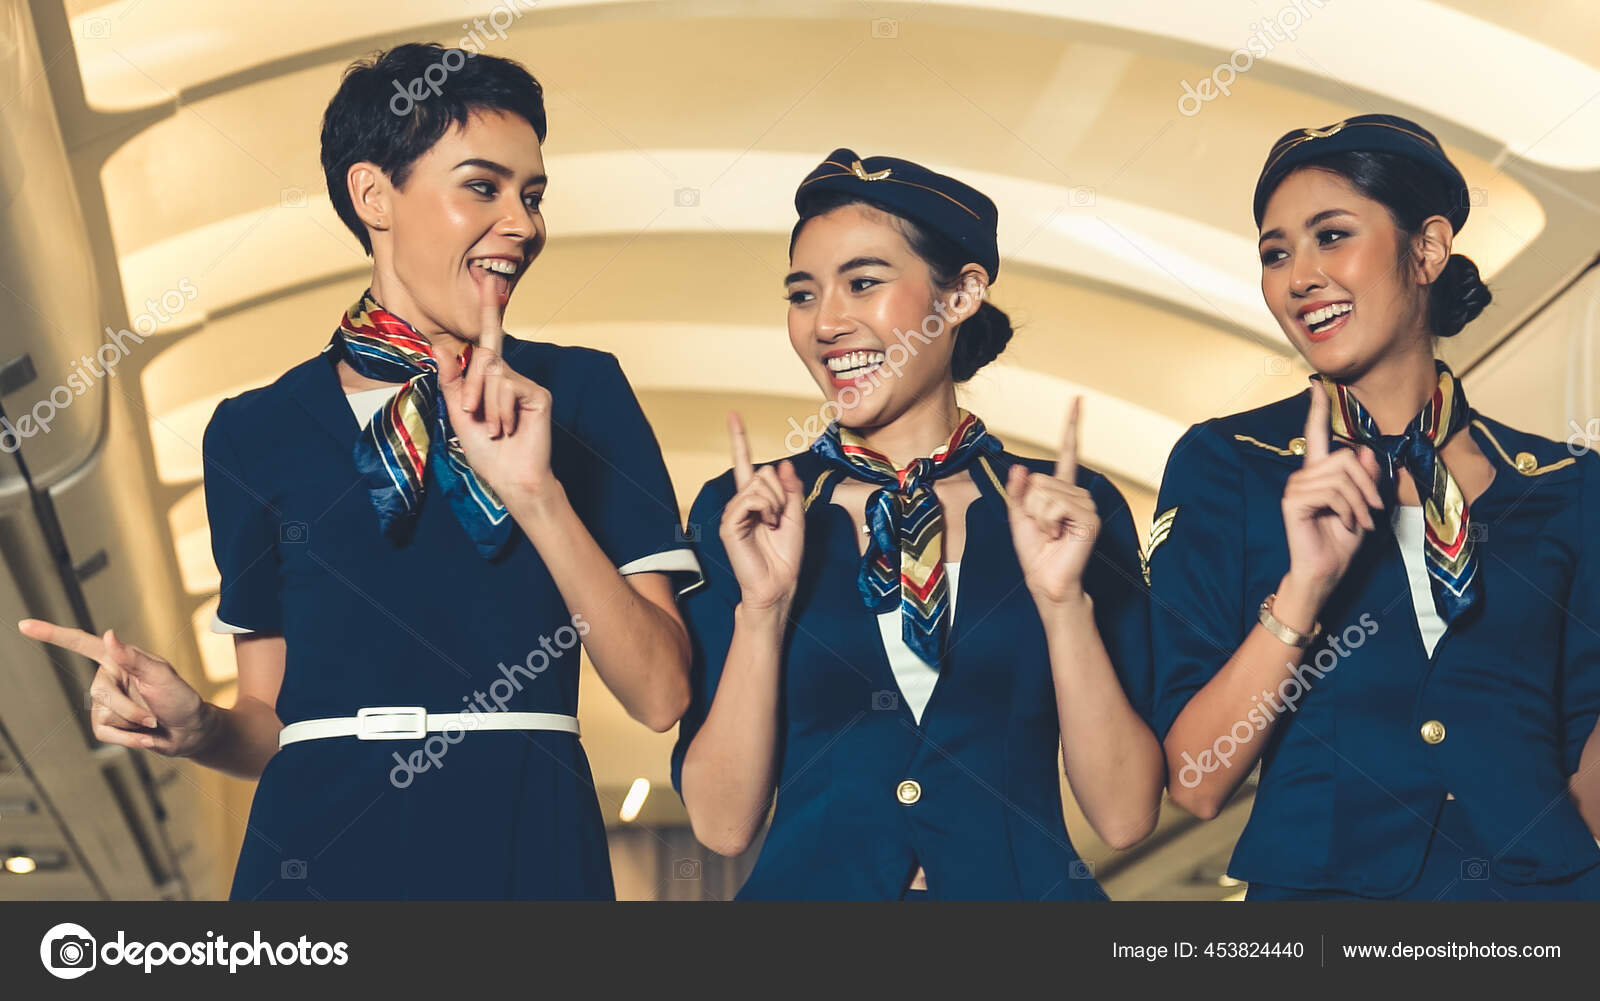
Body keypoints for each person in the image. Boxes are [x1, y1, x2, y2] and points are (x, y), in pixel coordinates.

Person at [19, 42, 699, 900]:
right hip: (316, 848)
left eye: (532, 195)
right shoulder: (252, 430)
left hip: (526, 829)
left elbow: (661, 691)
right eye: (483, 188)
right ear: (374, 195)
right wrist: (199, 727)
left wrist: (537, 495)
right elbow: (271, 721)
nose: (523, 224)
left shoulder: (581, 392)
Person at [670, 148, 1164, 900]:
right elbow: (721, 822)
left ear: (962, 294)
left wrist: (1066, 608)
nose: (827, 323)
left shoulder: (1068, 506)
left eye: (863, 283)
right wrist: (760, 613)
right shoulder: (747, 508)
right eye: (803, 295)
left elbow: (1125, 815)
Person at [1150, 114, 1600, 899]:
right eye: (1275, 253)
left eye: (1332, 236)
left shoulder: (1565, 481)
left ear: (1425, 250)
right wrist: (1303, 591)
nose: (1299, 278)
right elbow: (1194, 780)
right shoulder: (1228, 465)